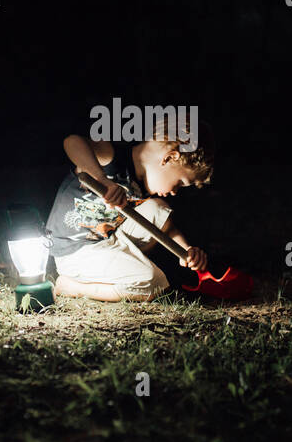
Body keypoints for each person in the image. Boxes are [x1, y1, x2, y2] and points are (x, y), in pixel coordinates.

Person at [46, 114, 215, 302]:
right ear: (169, 158)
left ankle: (127, 269)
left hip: (109, 239)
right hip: (76, 249)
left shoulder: (142, 185)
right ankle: (72, 286)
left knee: (157, 209)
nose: (176, 191)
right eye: (180, 183)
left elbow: (165, 227)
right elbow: (72, 142)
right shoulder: (112, 157)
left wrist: (186, 250)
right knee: (153, 282)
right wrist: (101, 179)